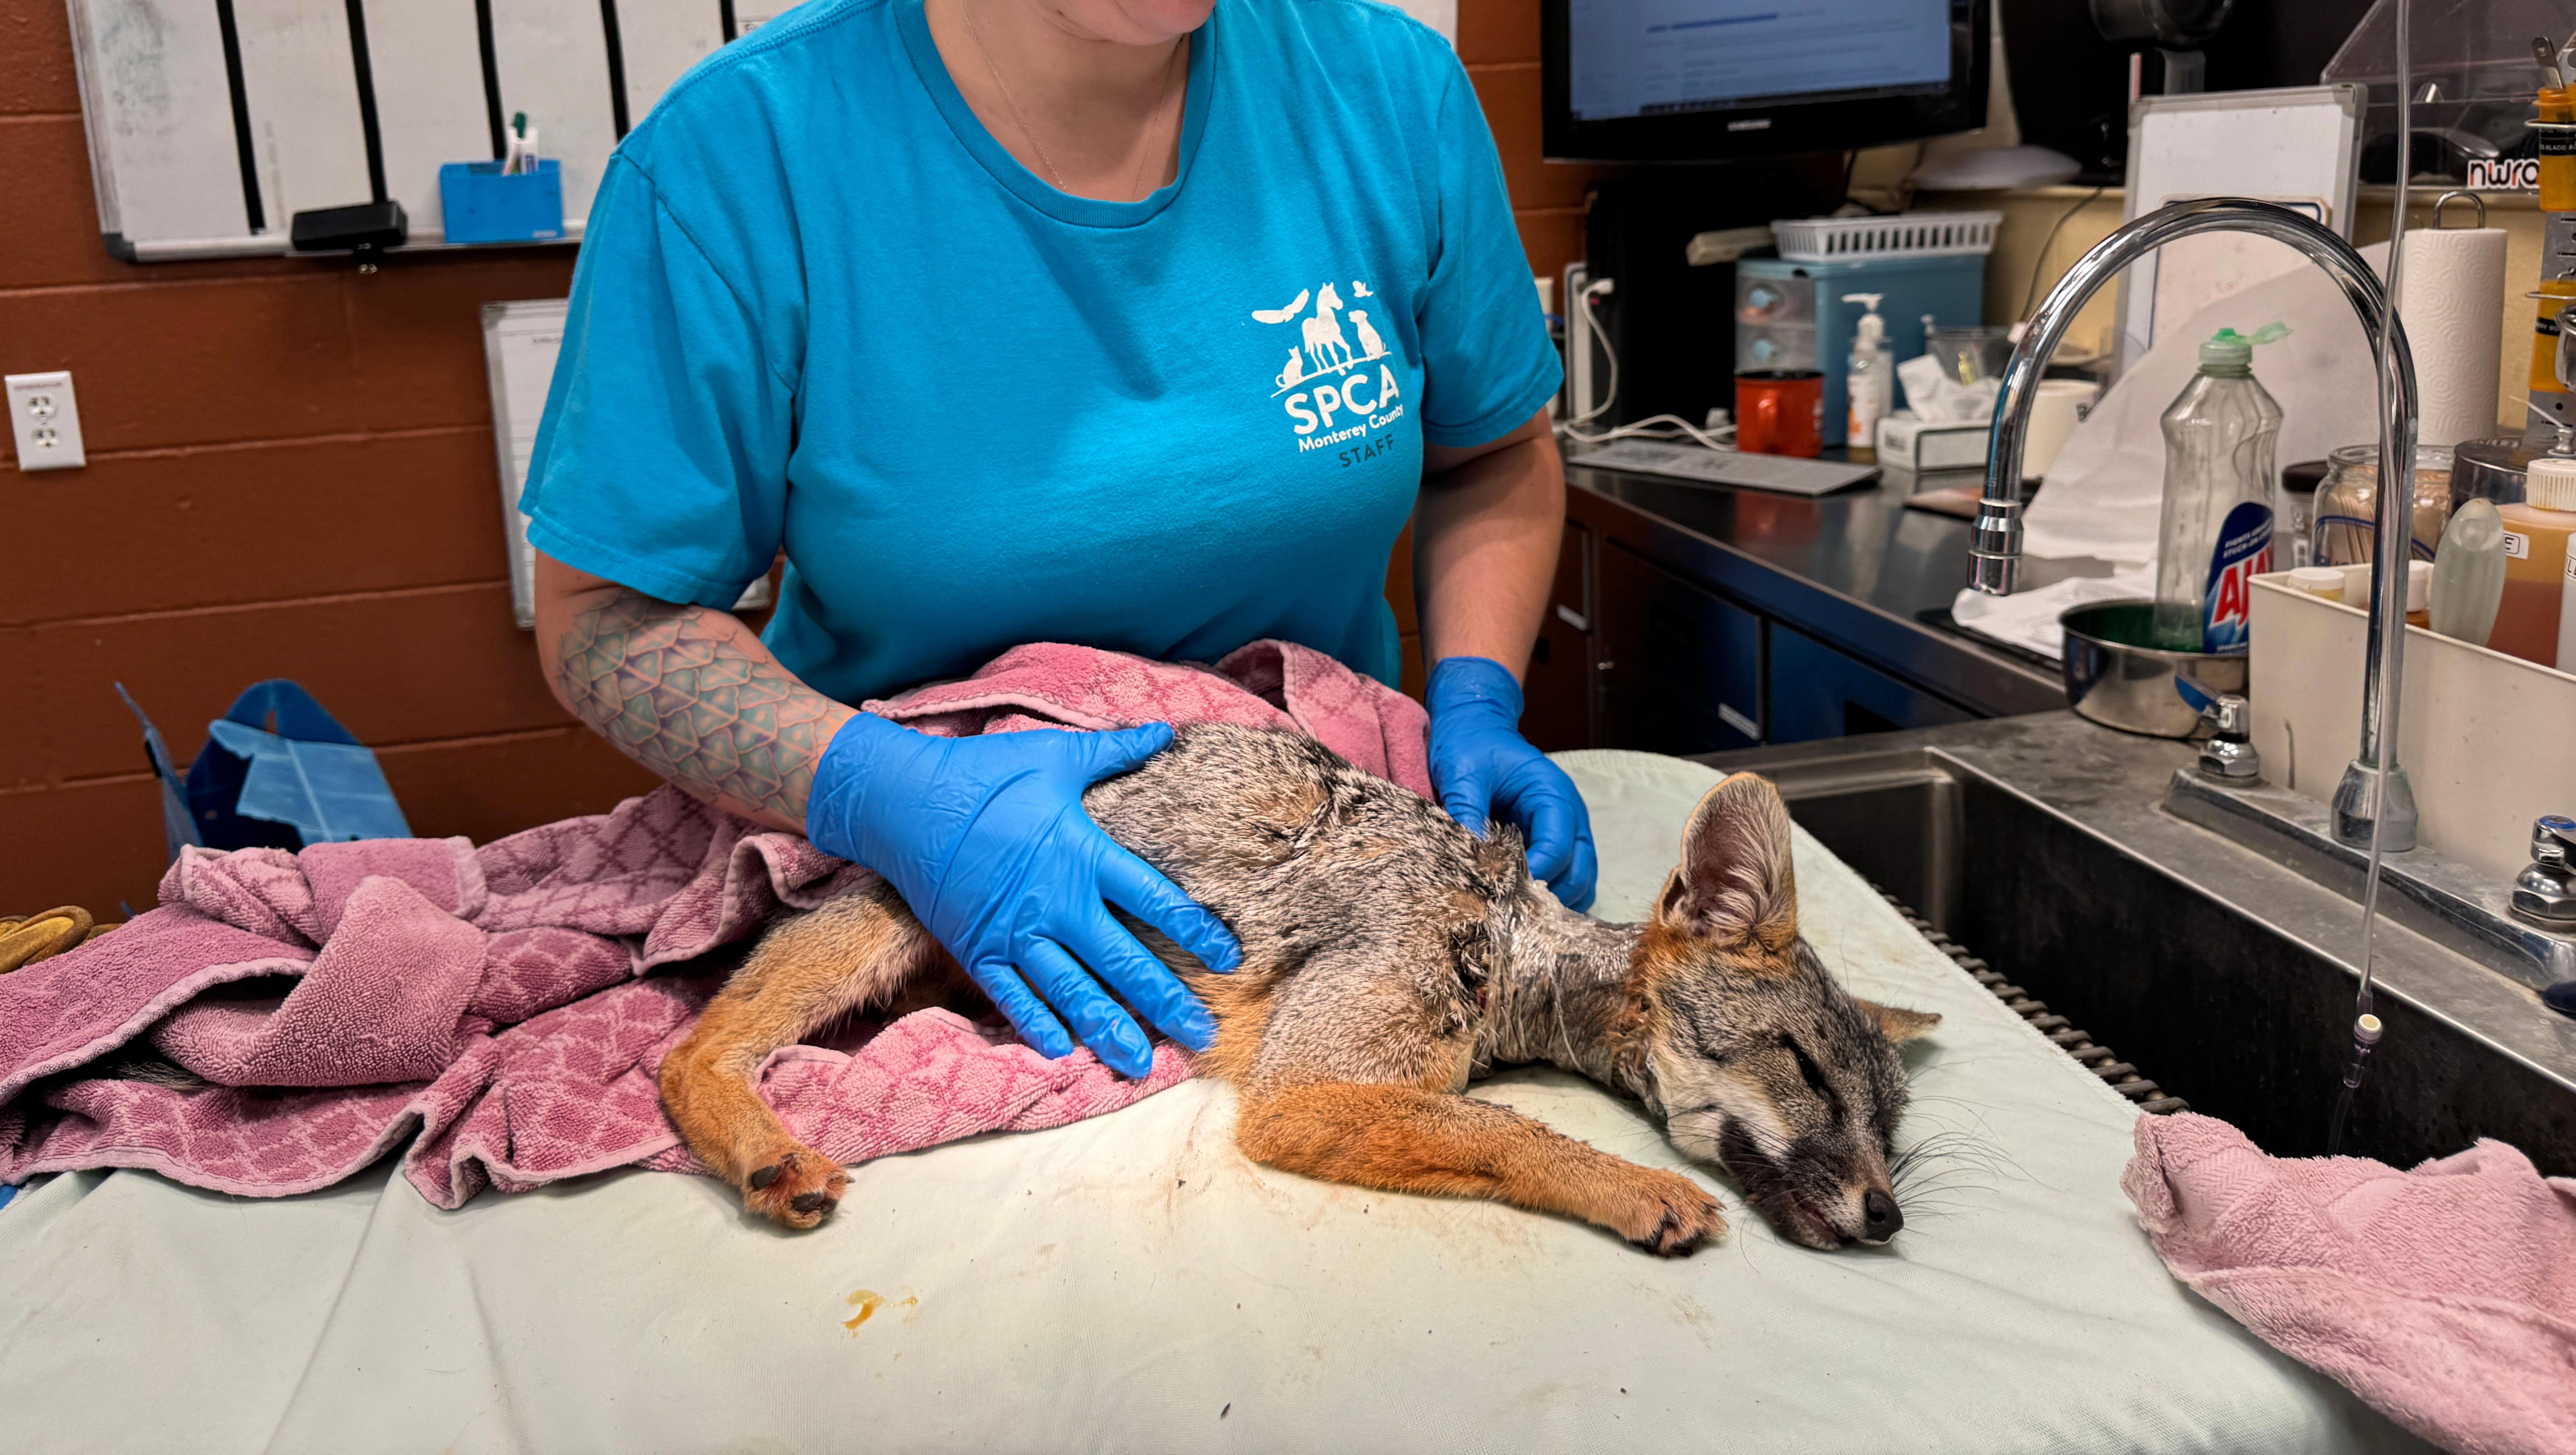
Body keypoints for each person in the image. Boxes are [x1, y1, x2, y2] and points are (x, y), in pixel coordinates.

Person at [521, 0, 1596, 1081]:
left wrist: (1474, 696)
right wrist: (885, 793)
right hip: (919, 880)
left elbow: (1494, 456)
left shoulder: (1385, 91)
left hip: (1307, 877)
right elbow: (605, 617)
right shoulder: (739, 156)